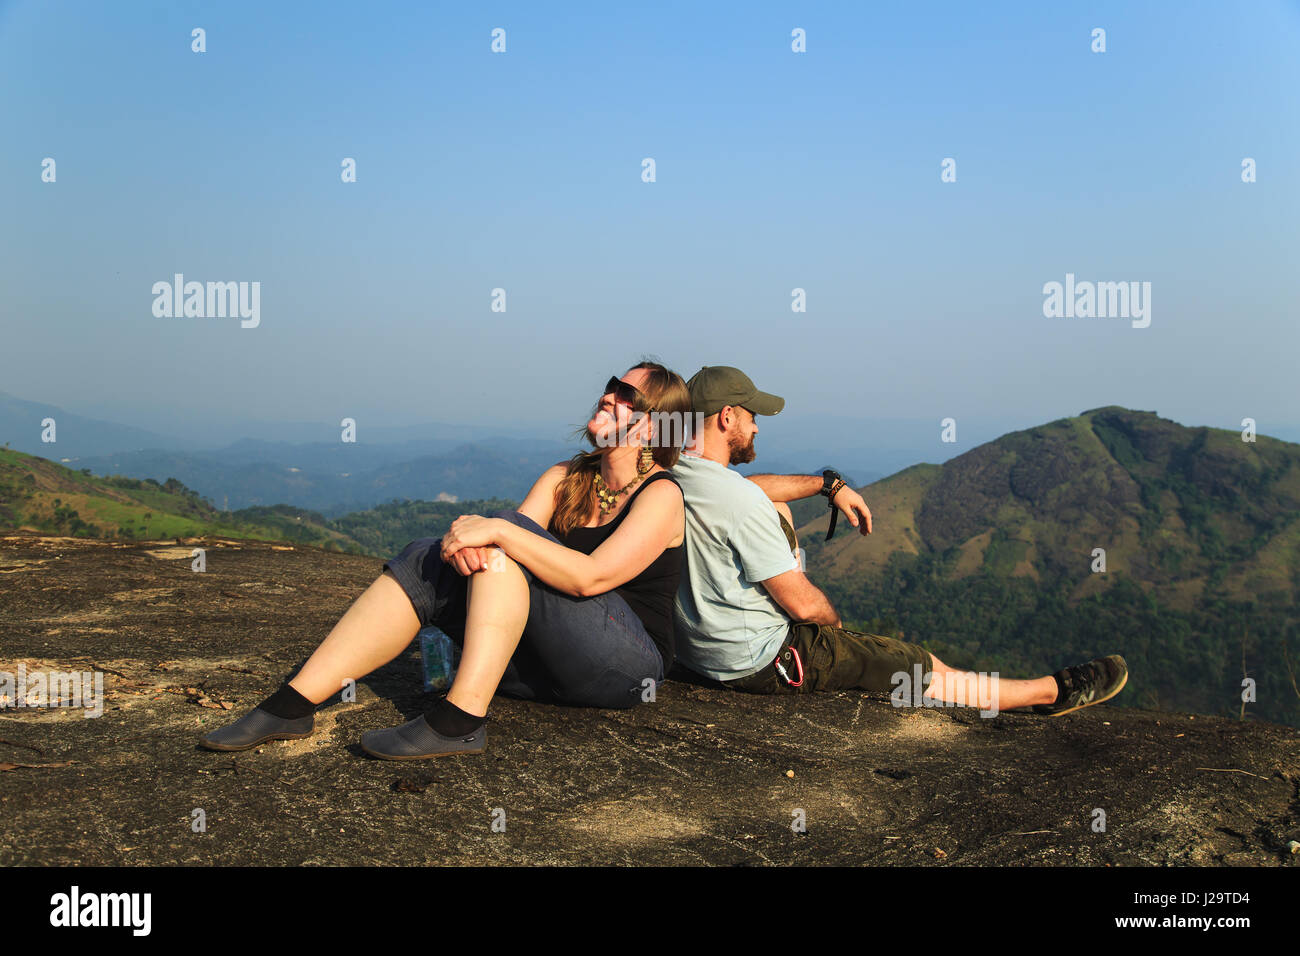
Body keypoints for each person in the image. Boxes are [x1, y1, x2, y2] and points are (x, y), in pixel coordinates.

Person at [200, 361, 691, 759]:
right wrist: (466, 551)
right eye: (611, 385)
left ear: (652, 424)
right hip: (549, 664)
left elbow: (589, 578)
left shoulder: (661, 495)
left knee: (507, 534)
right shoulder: (566, 477)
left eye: (628, 396)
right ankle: (293, 702)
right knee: (426, 556)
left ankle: (460, 720)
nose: (610, 396)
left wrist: (496, 528)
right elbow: (504, 563)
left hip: (625, 667)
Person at [669, 365, 1128, 716]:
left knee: (781, 508)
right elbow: (805, 607)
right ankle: (1049, 692)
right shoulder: (741, 502)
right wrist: (833, 629)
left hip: (702, 650)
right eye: (751, 417)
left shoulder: (673, 476)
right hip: (761, 660)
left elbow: (751, 491)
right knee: (916, 664)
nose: (756, 427)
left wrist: (825, 485)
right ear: (727, 416)